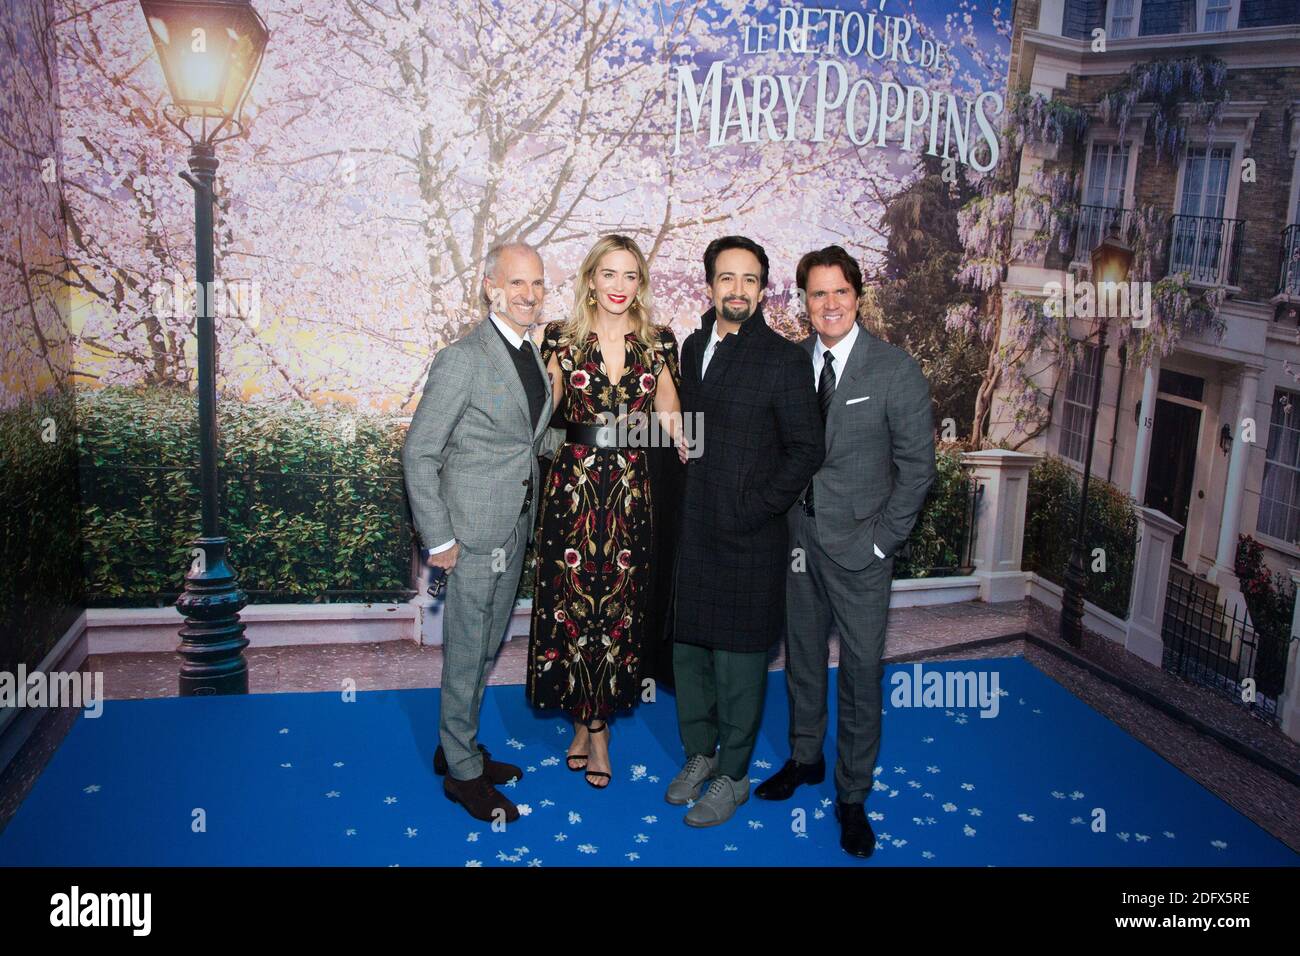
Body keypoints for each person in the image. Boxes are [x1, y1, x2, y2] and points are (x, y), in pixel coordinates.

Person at [754, 245, 935, 858]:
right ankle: (804, 758)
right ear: (803, 300)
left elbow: (917, 471)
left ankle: (852, 794)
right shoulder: (790, 363)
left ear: (858, 297)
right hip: (798, 547)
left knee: (860, 675)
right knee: (802, 661)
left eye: (840, 292)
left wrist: (883, 542)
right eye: (816, 293)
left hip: (862, 552)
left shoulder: (894, 369)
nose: (828, 304)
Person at [665, 236, 824, 827]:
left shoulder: (783, 360)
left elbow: (807, 447)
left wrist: (754, 506)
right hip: (694, 528)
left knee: (738, 664)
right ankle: (699, 756)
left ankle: (732, 775)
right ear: (709, 285)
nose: (737, 290)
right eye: (726, 278)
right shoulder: (691, 346)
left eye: (750, 279)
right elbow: (694, 427)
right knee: (690, 656)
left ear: (763, 289)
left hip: (749, 536)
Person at [402, 241, 560, 823]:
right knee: (470, 647)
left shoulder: (529, 353)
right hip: (470, 534)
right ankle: (463, 774)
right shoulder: (464, 358)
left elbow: (525, 440)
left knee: (486, 642)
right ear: (491, 287)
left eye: (538, 284)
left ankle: (455, 745)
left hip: (514, 525)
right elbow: (420, 453)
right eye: (517, 284)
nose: (529, 294)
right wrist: (439, 538)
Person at [527, 234, 683, 790]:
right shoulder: (561, 339)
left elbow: (669, 415)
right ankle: (586, 725)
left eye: (630, 276)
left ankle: (596, 725)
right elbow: (537, 413)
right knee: (572, 607)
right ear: (591, 278)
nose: (620, 287)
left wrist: (700, 447)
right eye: (609, 275)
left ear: (640, 283)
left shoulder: (660, 342)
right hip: (572, 490)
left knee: (614, 612)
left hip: (631, 494)